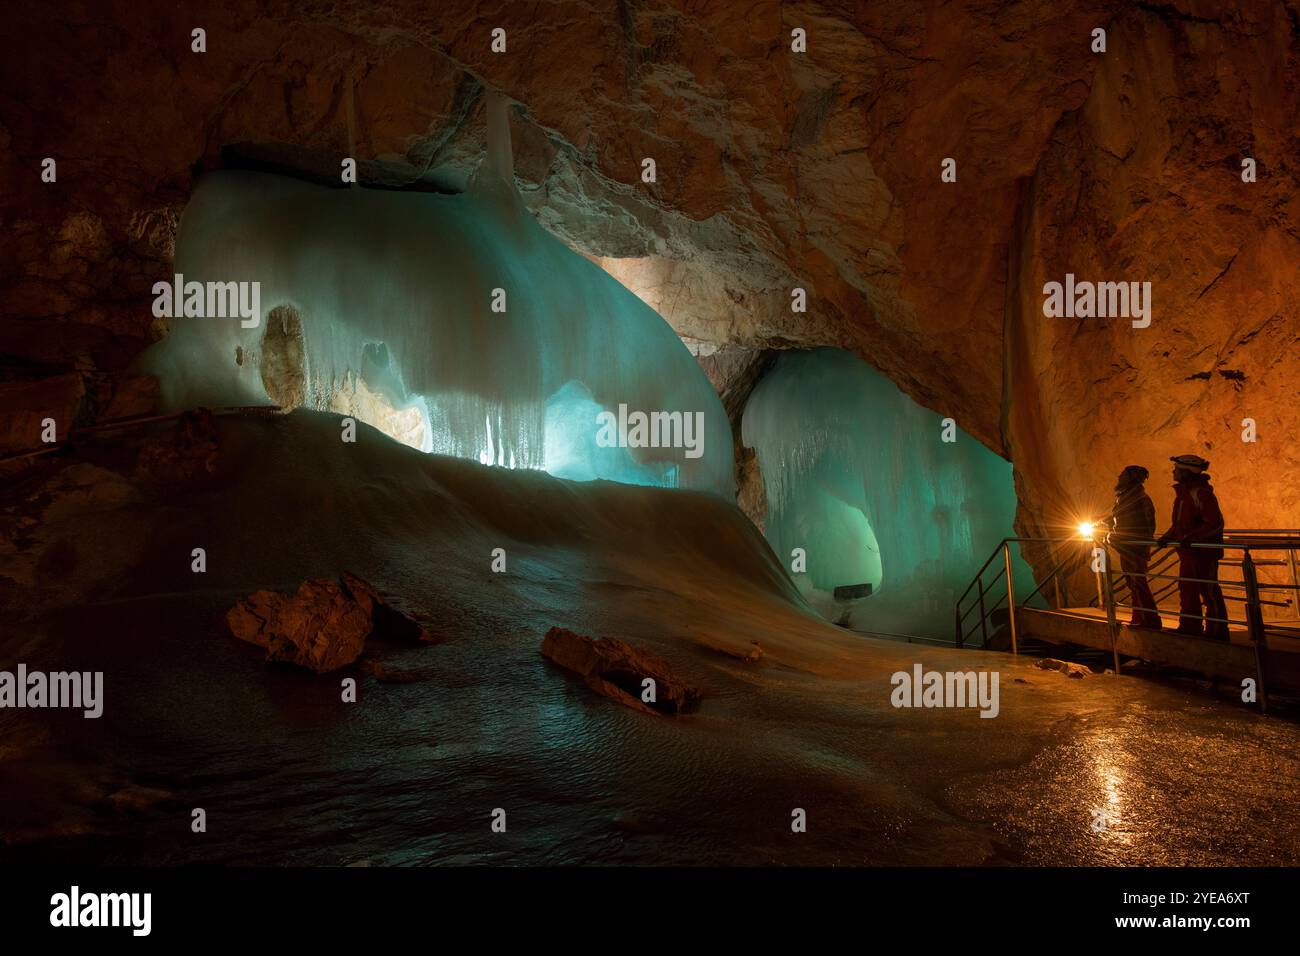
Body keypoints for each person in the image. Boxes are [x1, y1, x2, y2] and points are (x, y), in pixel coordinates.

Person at [1156, 454, 1228, 640]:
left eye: (1177, 469)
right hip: (1189, 552)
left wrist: (1192, 538)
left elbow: (1215, 523)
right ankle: (1190, 626)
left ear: (1186, 472)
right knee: (1187, 588)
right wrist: (1167, 537)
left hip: (1204, 552)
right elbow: (1181, 523)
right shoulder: (1184, 495)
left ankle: (1217, 632)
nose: (1173, 471)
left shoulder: (1200, 494)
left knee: (1208, 591)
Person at [1107, 465, 1161, 629]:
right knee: (1134, 584)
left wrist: (1116, 536)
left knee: (1138, 584)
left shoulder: (1139, 498)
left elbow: (1143, 524)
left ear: (1132, 478)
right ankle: (1139, 618)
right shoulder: (1127, 497)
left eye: (1123, 474)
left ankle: (1150, 621)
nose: (1119, 476)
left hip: (1134, 548)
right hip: (1127, 547)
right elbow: (1123, 519)